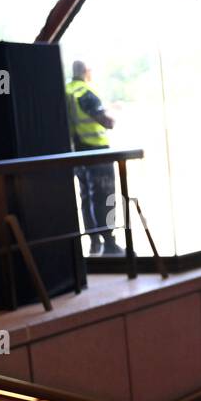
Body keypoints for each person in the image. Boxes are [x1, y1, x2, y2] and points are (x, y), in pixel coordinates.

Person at [64, 60, 120, 256]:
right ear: (86, 72)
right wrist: (112, 114)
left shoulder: (66, 90)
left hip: (77, 153)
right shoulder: (85, 92)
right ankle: (110, 243)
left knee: (86, 198)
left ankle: (94, 242)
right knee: (105, 196)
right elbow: (106, 122)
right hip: (97, 152)